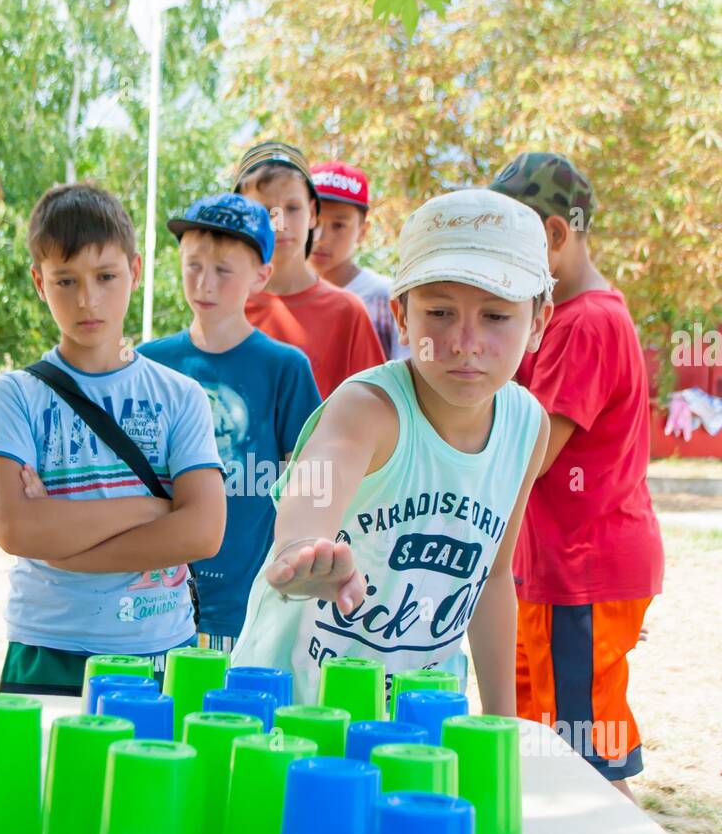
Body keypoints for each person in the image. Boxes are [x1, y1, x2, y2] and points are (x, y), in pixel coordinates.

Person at [231, 188, 553, 711]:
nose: (465, 341)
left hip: (417, 716)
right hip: (293, 710)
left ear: (537, 322)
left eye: (496, 316)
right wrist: (303, 551)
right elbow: (314, 489)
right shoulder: (367, 408)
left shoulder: (528, 426)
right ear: (401, 317)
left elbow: (492, 578)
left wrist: (501, 725)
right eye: (441, 312)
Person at [0, 180, 226, 696]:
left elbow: (203, 533)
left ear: (133, 271)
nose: (87, 299)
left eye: (105, 276)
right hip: (48, 647)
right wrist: (153, 509)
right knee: (44, 778)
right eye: (65, 281)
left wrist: (62, 543)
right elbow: (16, 529)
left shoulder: (181, 396)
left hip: (160, 650)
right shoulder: (13, 396)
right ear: (39, 284)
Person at [489, 152, 664, 797]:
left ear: (556, 236)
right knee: (548, 748)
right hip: (555, 570)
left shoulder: (587, 322)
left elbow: (535, 452)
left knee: (585, 759)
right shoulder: (565, 316)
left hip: (582, 570)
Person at [139, 192, 320, 654]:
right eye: (194, 265)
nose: (205, 284)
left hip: (249, 607)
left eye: (223, 270)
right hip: (152, 604)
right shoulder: (147, 364)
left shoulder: (285, 368)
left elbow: (312, 485)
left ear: (261, 276)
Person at [232, 140, 384, 397]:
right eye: (265, 210)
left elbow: (378, 409)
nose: (280, 223)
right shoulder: (225, 305)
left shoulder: (348, 312)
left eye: (292, 208)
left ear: (312, 213)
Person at [309, 161, 404, 359]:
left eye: (338, 225)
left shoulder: (387, 299)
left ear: (362, 232)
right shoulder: (273, 292)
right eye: (313, 222)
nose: (320, 237)